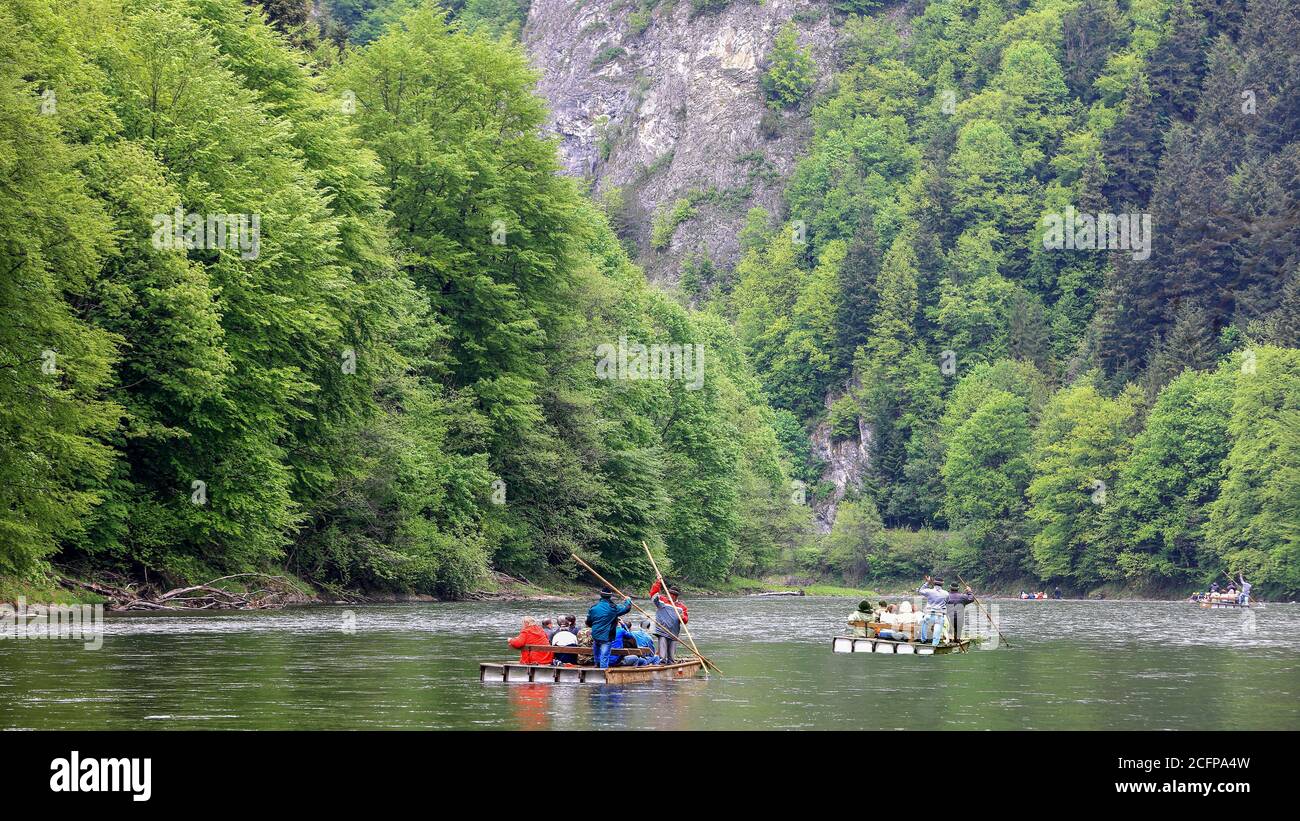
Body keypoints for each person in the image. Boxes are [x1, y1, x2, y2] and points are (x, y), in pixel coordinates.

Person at [585, 588, 632, 669]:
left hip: (595, 634)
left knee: (596, 650)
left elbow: (588, 621)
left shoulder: (593, 608)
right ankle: (603, 671)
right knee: (604, 655)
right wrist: (628, 600)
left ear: (601, 595)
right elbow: (626, 608)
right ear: (610, 596)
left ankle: (596, 664)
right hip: (606, 636)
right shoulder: (613, 608)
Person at [650, 582, 688, 663]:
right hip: (662, 631)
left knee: (671, 657)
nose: (672, 596)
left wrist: (683, 618)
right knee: (662, 656)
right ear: (668, 594)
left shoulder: (681, 607)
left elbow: (685, 621)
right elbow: (653, 594)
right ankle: (661, 664)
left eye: (674, 595)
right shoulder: (661, 601)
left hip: (674, 633)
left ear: (677, 596)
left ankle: (671, 666)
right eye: (671, 594)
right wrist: (658, 582)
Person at [918, 576, 950, 647]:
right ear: (942, 584)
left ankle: (923, 640)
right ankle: (934, 644)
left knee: (924, 623)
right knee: (937, 631)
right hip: (939, 615)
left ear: (934, 583)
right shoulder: (946, 593)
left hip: (929, 614)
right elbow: (947, 602)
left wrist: (927, 582)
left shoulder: (929, 591)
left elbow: (920, 590)